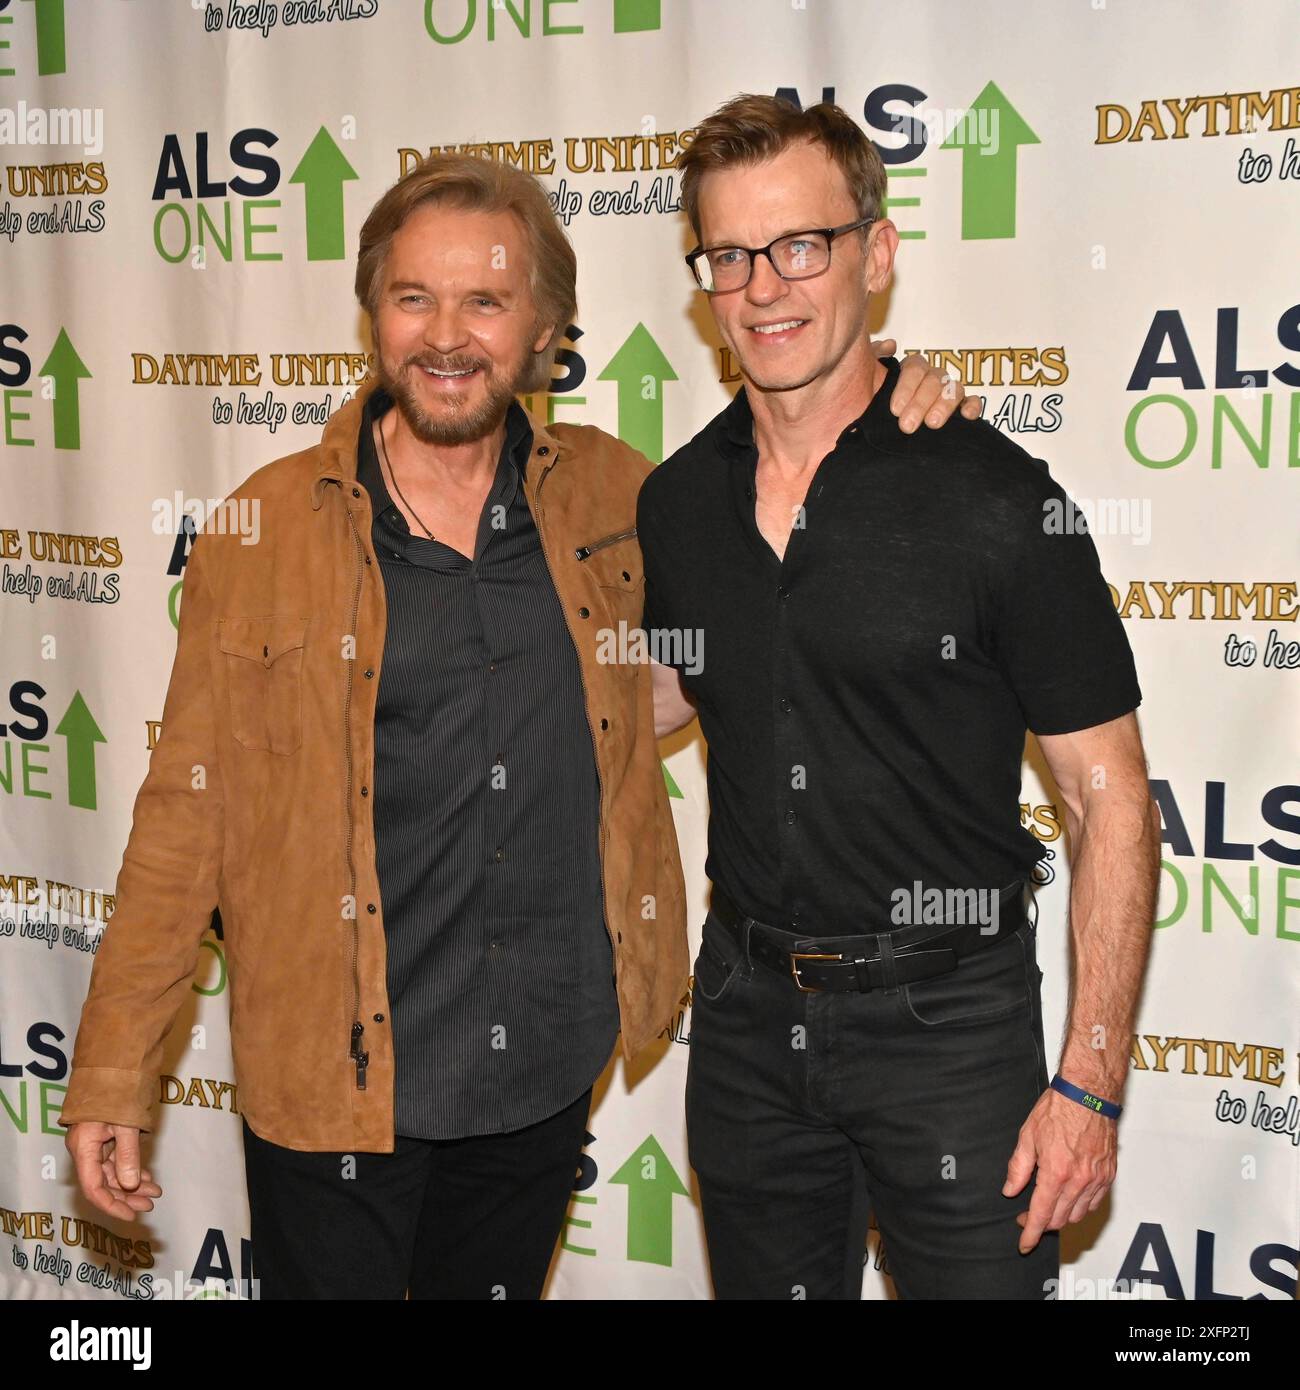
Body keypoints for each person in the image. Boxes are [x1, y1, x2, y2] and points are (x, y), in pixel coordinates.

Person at [57, 150, 973, 1299]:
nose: (447, 335)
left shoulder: (622, 496)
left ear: (546, 326)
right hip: (331, 1081)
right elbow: (186, 817)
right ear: (370, 317)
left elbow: (783, 522)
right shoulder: (267, 526)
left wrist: (901, 400)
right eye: (412, 298)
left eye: (485, 301)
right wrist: (110, 1069)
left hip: (537, 1069)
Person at [639, 95, 1161, 1301]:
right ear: (702, 281)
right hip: (744, 1024)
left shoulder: (990, 496)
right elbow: (662, 698)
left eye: (801, 246)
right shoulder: (674, 504)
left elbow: (1108, 799)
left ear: (874, 254)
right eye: (729, 255)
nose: (765, 285)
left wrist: (1087, 1085)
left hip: (953, 1033)